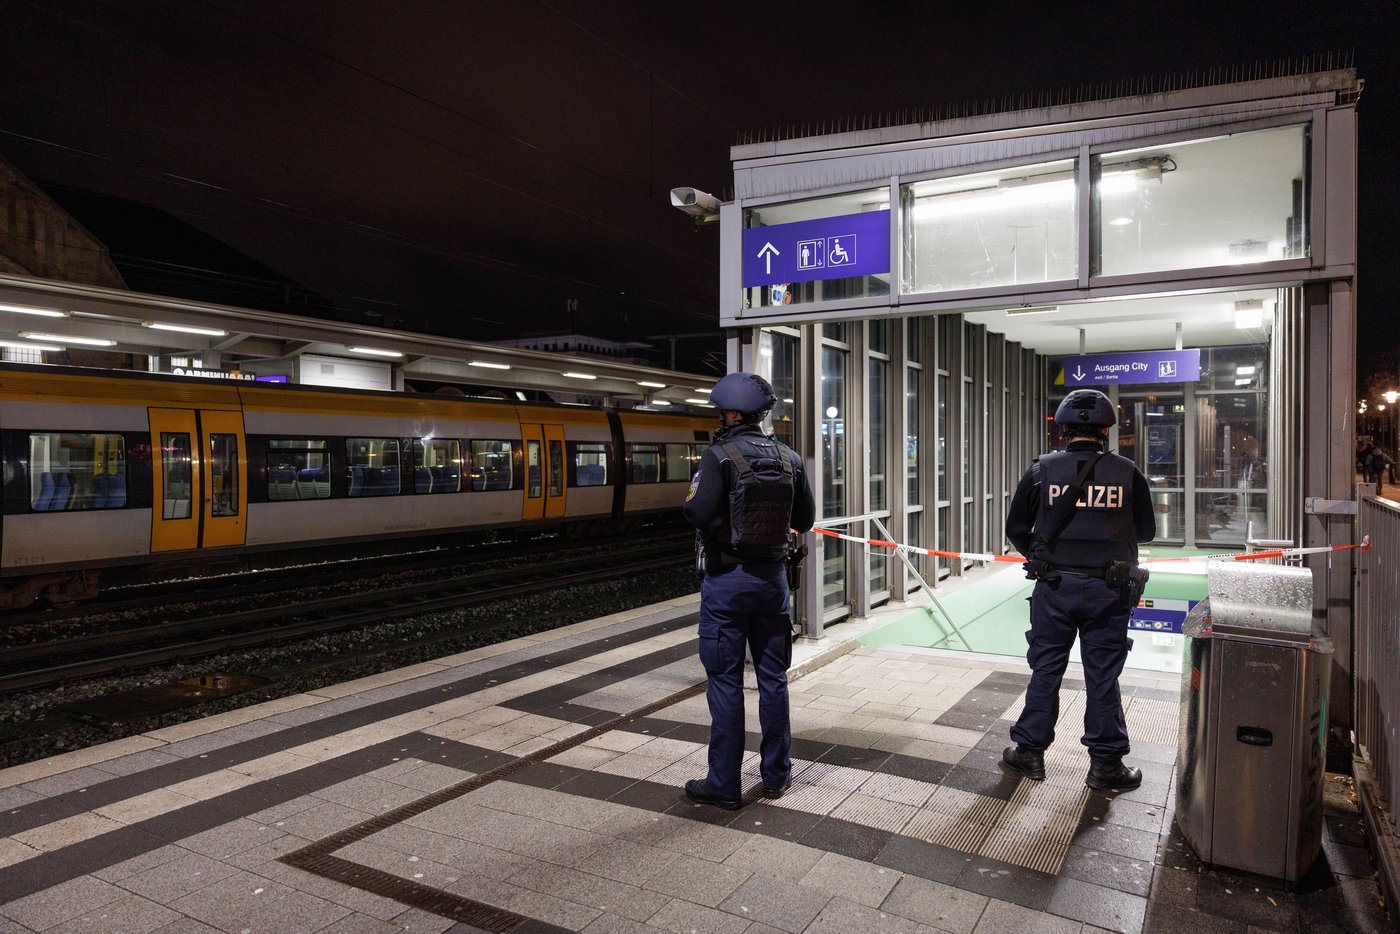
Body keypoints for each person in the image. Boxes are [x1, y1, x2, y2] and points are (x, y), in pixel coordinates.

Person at [1002, 388, 1156, 791]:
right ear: (1106, 430)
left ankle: (1030, 753)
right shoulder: (1127, 472)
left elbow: (1016, 527)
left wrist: (1042, 556)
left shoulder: (1042, 470)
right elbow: (1149, 531)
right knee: (1103, 674)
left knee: (1047, 667)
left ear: (1064, 428)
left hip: (1054, 587)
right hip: (1110, 590)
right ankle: (1106, 765)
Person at [681, 371, 816, 809]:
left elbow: (697, 513)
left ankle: (724, 784)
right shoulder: (789, 458)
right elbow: (806, 521)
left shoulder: (718, 456)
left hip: (727, 584)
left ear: (732, 412)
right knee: (773, 679)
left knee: (725, 682)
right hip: (774, 582)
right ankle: (777, 775)